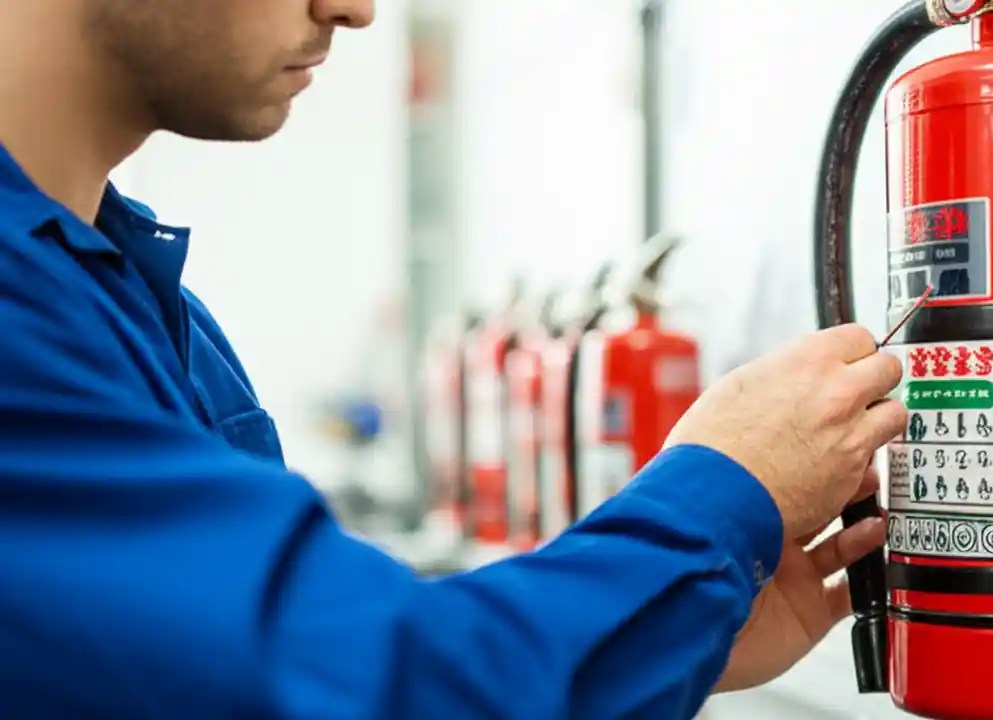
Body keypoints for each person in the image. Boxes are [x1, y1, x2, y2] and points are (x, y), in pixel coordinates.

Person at [0, 1, 907, 718]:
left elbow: (303, 651)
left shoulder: (141, 300)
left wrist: (662, 630)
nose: (355, 9)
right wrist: (724, 491)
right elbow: (386, 691)